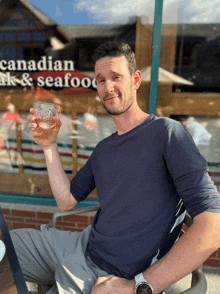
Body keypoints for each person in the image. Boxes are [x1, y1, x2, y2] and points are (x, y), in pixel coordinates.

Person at [10, 41, 220, 294]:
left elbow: (214, 227)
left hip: (108, 275)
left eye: (116, 77)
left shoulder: (167, 134)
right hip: (80, 244)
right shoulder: (104, 149)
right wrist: (48, 145)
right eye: (100, 80)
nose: (108, 87)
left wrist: (138, 286)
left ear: (135, 79)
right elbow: (66, 202)